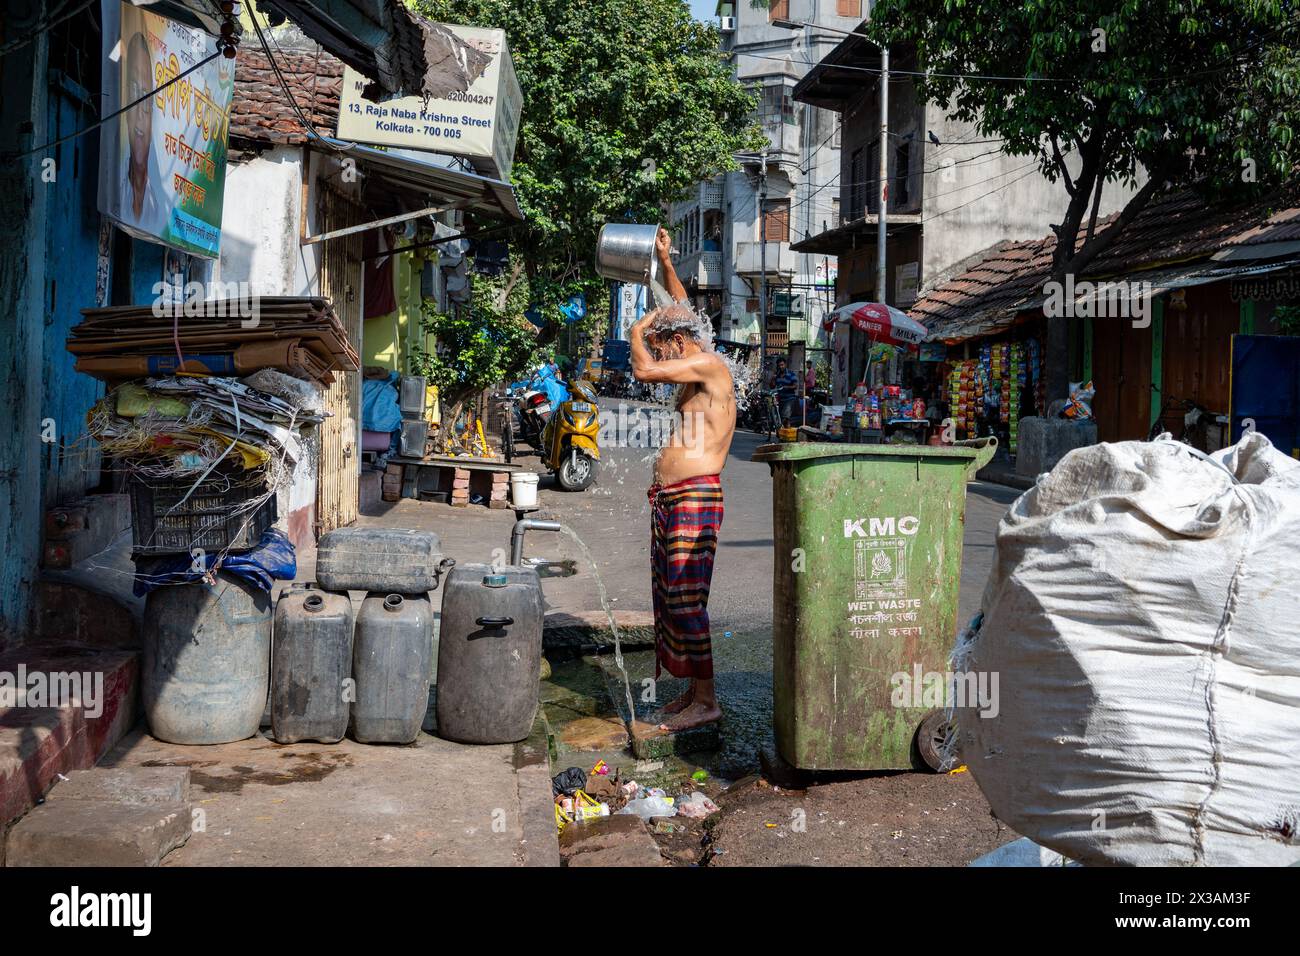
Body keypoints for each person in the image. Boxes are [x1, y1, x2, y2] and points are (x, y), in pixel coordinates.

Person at [629, 227, 735, 733]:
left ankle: (708, 700)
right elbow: (683, 310)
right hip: (673, 497)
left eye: (662, 346)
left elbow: (646, 372)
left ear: (675, 344)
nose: (662, 356)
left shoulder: (710, 366)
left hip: (695, 495)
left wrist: (635, 334)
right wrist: (667, 262)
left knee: (685, 598)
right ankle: (694, 693)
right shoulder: (695, 357)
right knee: (671, 595)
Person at [772, 358, 799, 425]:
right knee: (783, 418)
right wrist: (773, 378)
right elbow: (772, 386)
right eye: (779, 365)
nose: (781, 367)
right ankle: (785, 433)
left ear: (785, 365)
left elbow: (795, 386)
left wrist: (786, 387)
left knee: (785, 417)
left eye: (782, 365)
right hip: (780, 399)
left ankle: (781, 431)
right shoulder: (777, 375)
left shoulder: (791, 374)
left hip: (790, 399)